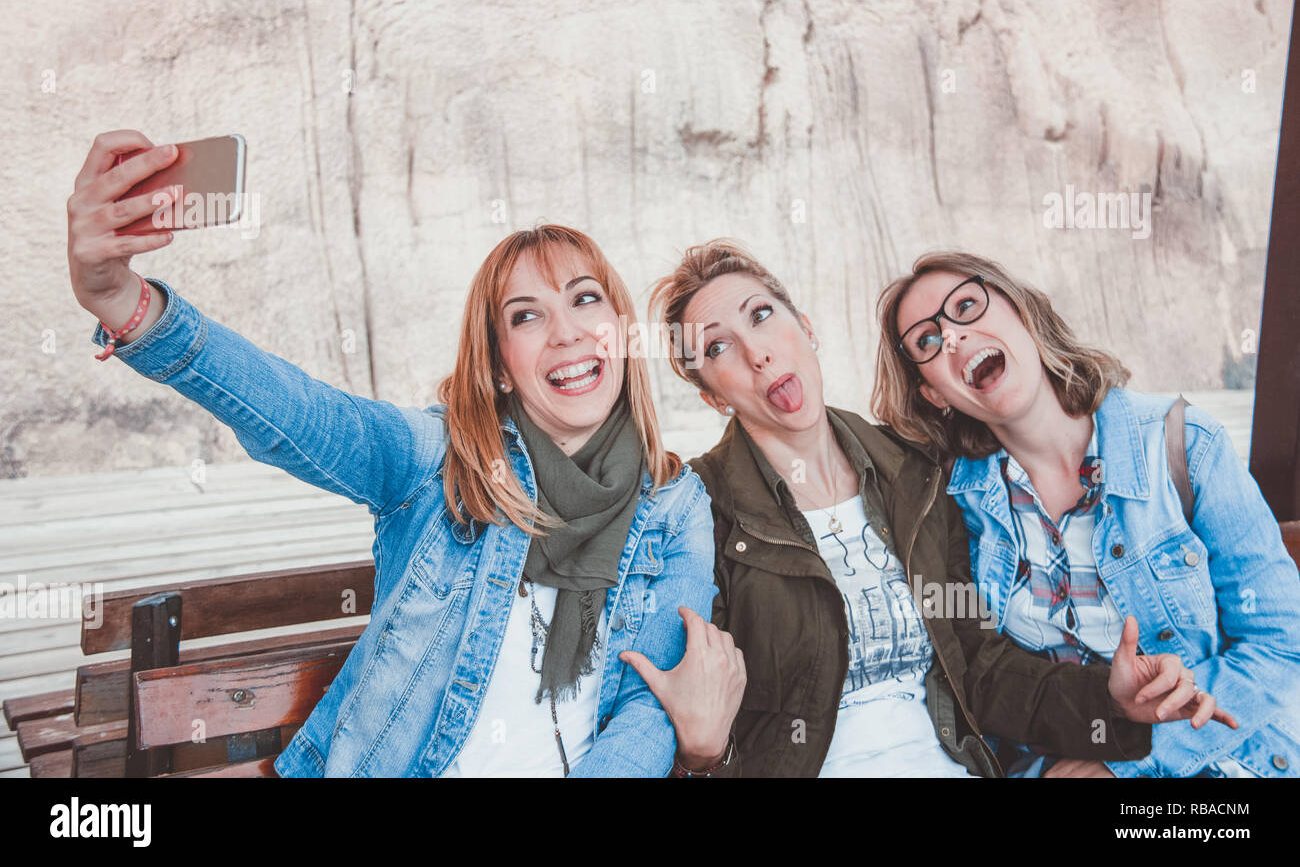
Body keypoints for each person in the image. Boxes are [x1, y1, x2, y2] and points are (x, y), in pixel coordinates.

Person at [65, 130, 718, 777]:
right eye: (527, 316)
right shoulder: (440, 458)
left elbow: (648, 710)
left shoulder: (674, 505)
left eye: (584, 299)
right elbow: (301, 414)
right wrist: (129, 306)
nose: (567, 332)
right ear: (497, 366)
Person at [633, 239, 1233, 777]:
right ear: (712, 396)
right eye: (718, 348)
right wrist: (700, 754)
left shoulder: (917, 476)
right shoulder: (696, 511)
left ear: (806, 327)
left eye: (762, 316)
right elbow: (686, 715)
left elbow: (979, 663)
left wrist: (1112, 703)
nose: (757, 353)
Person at [873, 250, 1296, 777]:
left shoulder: (1185, 446)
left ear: (1022, 312)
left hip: (1225, 763)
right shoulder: (952, 508)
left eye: (966, 306)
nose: (953, 336)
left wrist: (1124, 764)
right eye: (927, 342)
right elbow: (980, 676)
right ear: (935, 392)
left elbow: (1283, 645)